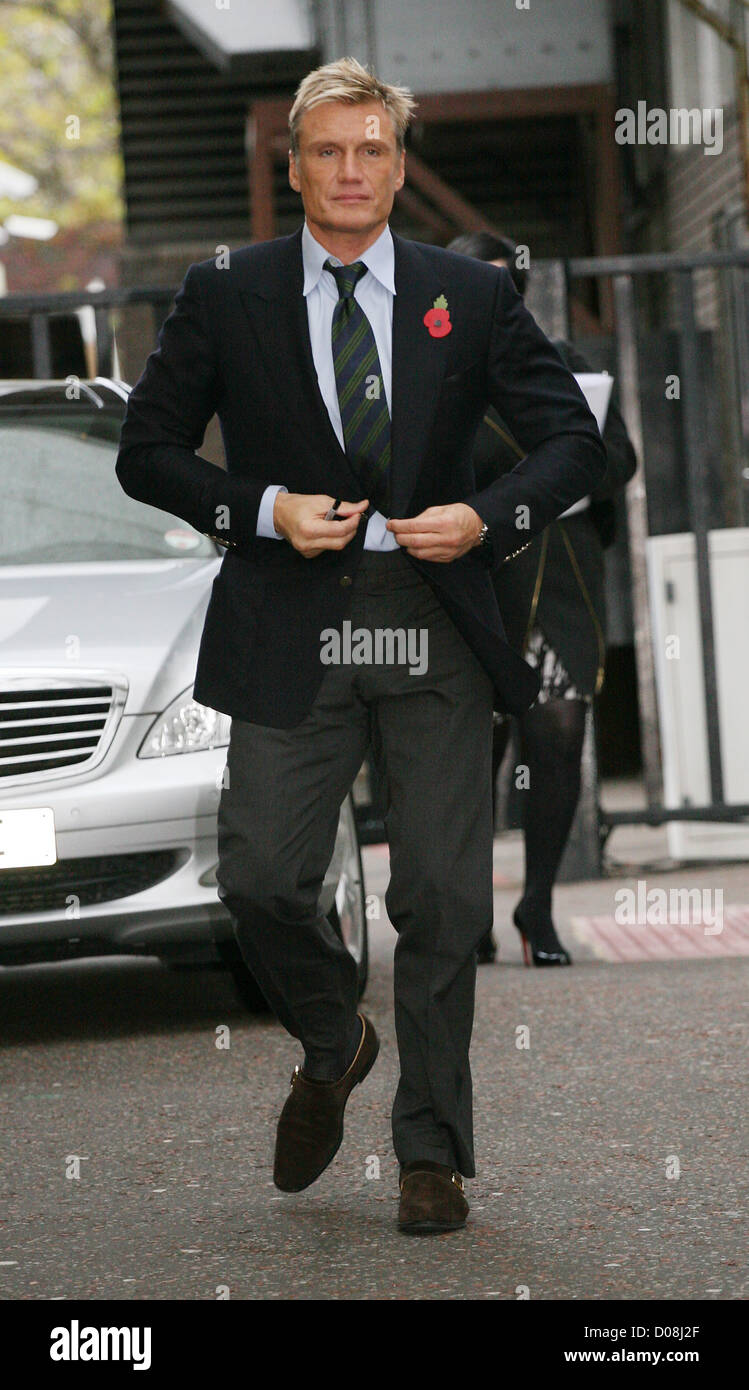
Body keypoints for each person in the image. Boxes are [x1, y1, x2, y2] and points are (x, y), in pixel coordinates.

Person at [115, 58, 607, 1234]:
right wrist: (258, 507)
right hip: (289, 619)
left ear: (396, 165)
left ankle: (430, 1152)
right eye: (327, 151)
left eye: (371, 150)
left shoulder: (469, 294)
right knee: (261, 880)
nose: (350, 170)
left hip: (434, 621)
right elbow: (147, 452)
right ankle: (335, 1036)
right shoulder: (225, 292)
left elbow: (571, 442)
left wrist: (486, 516)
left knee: (439, 898)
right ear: (291, 167)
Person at [448, 231, 637, 968]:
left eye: (508, 287)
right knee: (476, 752)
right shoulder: (438, 376)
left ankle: (538, 906)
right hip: (482, 583)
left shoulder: (568, 365)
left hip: (563, 579)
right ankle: (469, 910)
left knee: (558, 738)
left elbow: (618, 459)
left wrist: (565, 462)